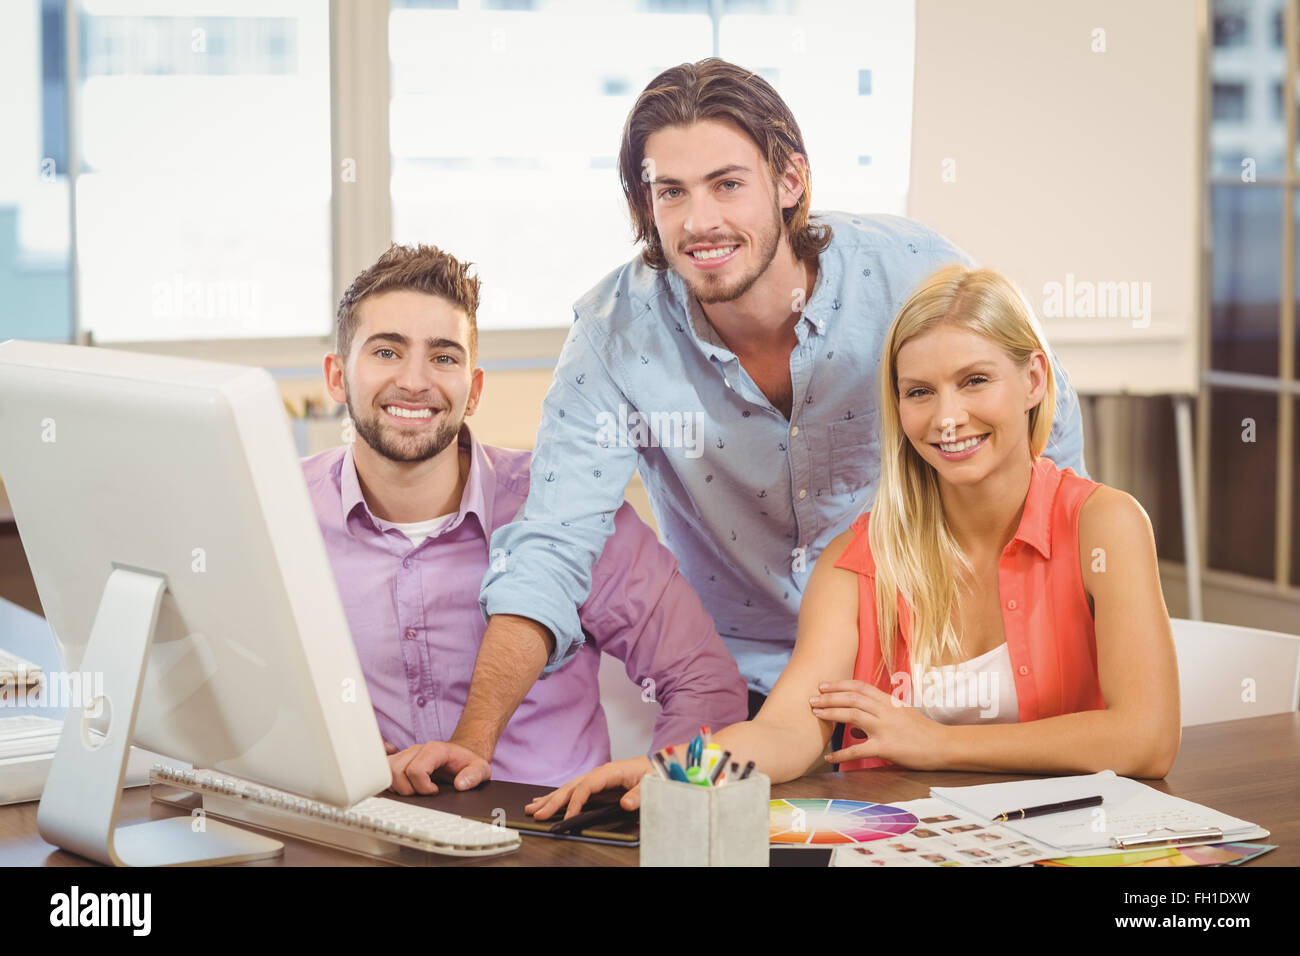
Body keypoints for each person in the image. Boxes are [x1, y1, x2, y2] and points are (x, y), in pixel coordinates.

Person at [432, 58, 1090, 788]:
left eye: (728, 184)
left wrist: (1032, 652)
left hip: (926, 678)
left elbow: (1043, 442)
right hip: (746, 696)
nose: (700, 220)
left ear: (789, 182)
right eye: (671, 192)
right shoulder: (613, 338)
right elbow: (552, 546)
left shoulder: (911, 275)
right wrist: (475, 741)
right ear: (642, 205)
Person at [525, 264, 1180, 821]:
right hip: (903, 846)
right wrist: (679, 771)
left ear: (1034, 381)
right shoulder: (856, 560)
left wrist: (937, 745)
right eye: (920, 392)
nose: (948, 418)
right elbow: (786, 731)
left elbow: (1146, 739)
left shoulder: (1105, 526)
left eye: (975, 381)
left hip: (1070, 841)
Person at [301, 243, 748, 792]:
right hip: (363, 831)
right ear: (336, 376)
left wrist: (664, 805)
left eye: (444, 357)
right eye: (387, 352)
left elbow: (703, 681)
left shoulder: (570, 506)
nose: (415, 381)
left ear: (474, 391)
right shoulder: (280, 512)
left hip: (548, 840)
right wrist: (320, 744)